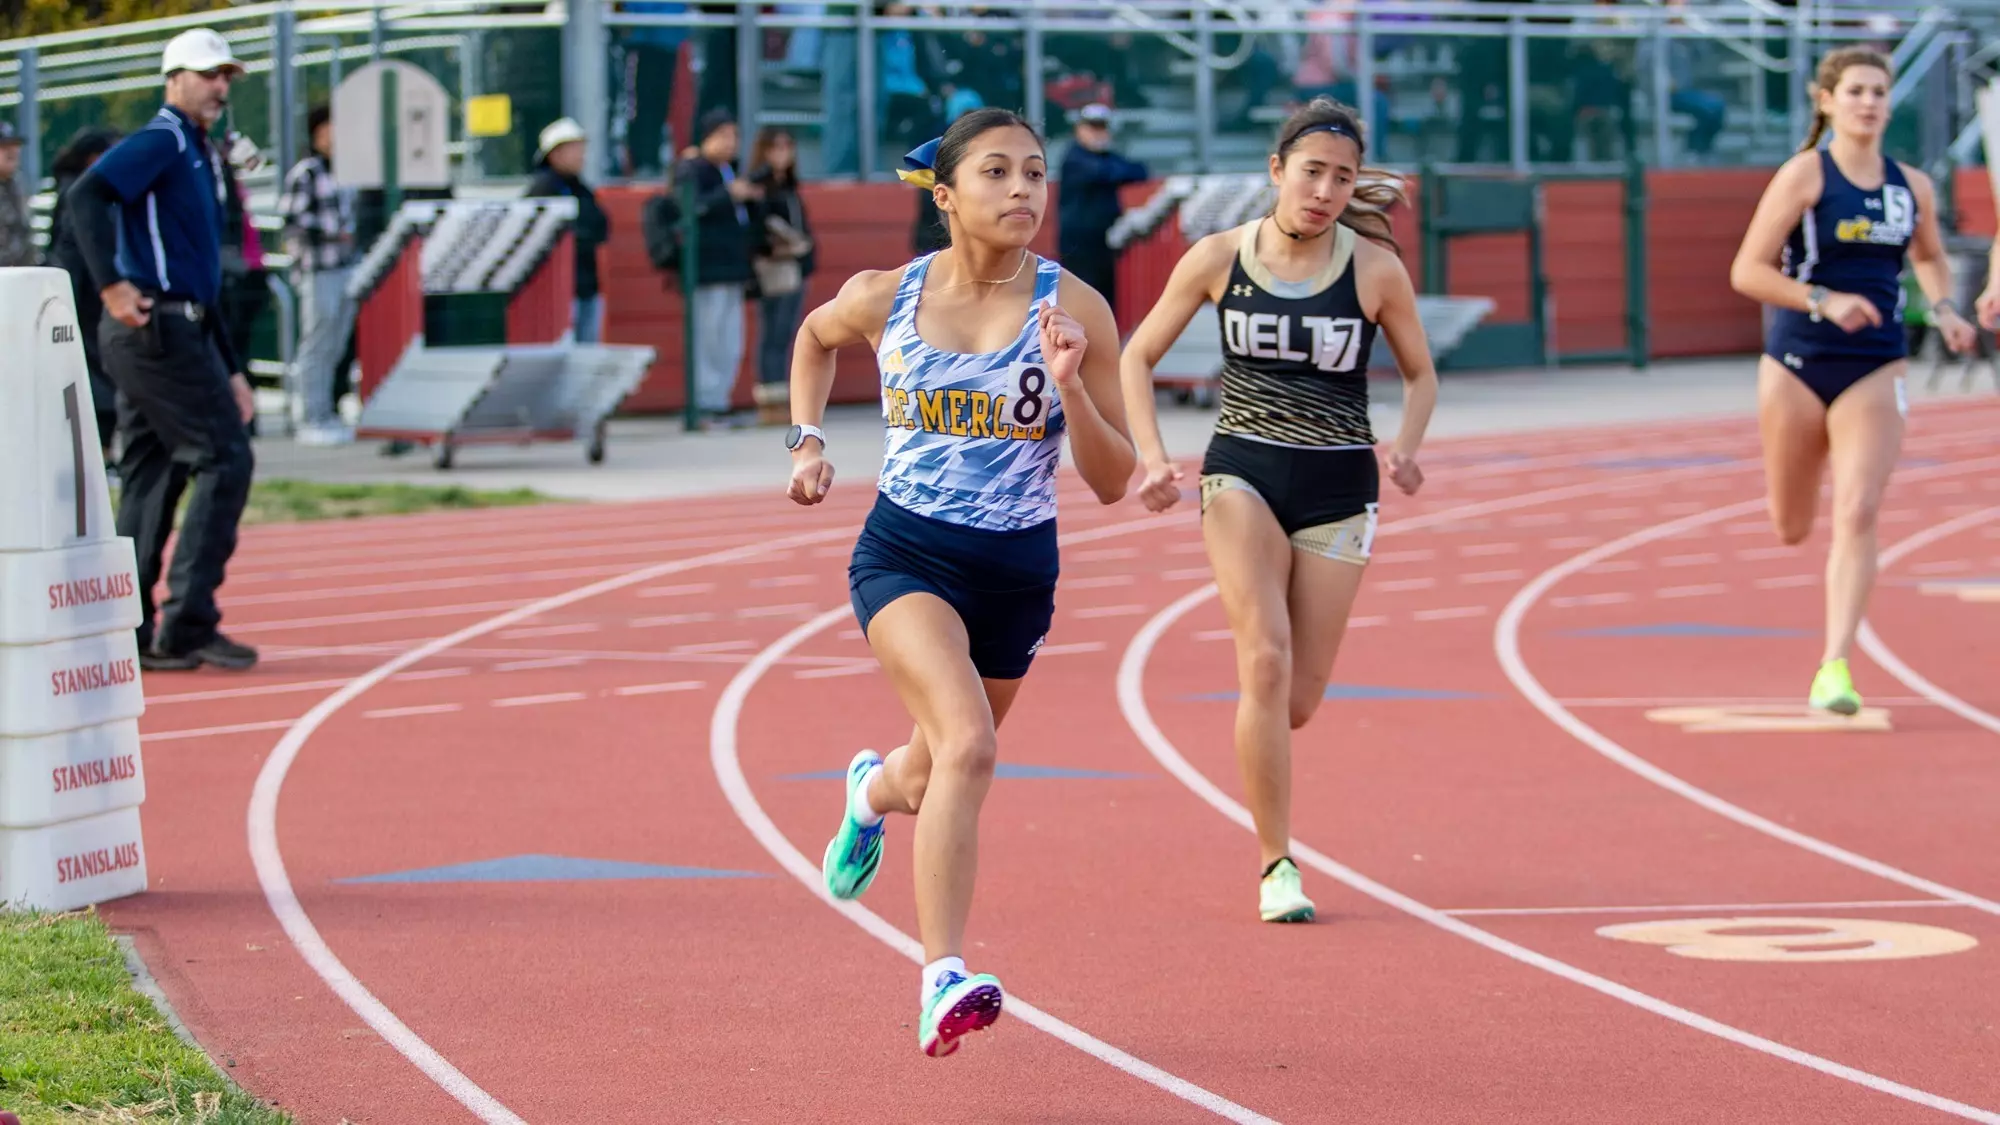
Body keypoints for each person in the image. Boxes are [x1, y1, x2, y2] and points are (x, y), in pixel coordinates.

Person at [783, 107, 1135, 1056]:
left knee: (931, 767)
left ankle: (868, 793)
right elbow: (813, 339)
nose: (1022, 189)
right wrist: (808, 439)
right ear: (945, 195)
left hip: (1017, 576)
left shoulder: (1077, 308)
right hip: (907, 555)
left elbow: (1111, 482)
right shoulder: (886, 294)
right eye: (996, 173)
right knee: (970, 746)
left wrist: (1068, 384)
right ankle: (942, 975)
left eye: (1034, 172)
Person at [1117, 97, 1438, 924]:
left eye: (1342, 177)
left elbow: (1421, 373)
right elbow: (1138, 355)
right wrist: (1152, 459)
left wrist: (1405, 444)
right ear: (1276, 172)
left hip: (1339, 485)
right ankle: (1276, 863)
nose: (1326, 189)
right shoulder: (1220, 256)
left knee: (1296, 699)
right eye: (1312, 172)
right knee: (1262, 660)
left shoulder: (1372, 269)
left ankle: (1274, 817)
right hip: (1243, 471)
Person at [1728, 47, 1974, 716]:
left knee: (1859, 509)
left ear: (1891, 103)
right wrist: (1820, 299)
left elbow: (1927, 255)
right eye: (1856, 90)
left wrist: (1946, 308)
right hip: (1797, 362)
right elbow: (1746, 271)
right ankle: (1799, 531)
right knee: (1791, 524)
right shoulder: (1805, 175)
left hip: (1876, 361)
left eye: (1878, 91)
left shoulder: (1911, 186)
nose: (1868, 102)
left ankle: (1834, 663)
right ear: (1827, 101)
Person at [68, 27, 260, 672]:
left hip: (176, 325)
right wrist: (112, 287)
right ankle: (186, 624)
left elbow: (201, 273)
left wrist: (230, 368)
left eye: (228, 75)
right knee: (223, 458)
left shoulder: (200, 151)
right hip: (154, 326)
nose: (220, 86)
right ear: (173, 77)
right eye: (209, 74)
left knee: (154, 472)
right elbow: (86, 194)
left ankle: (129, 627)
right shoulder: (164, 137)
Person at [280, 103, 360, 443]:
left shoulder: (345, 171)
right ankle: (310, 415)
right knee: (316, 343)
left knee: (336, 342)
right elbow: (293, 220)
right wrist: (332, 233)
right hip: (318, 269)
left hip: (345, 266)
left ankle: (326, 411)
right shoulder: (306, 173)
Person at [43, 126, 125, 458]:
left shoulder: (86, 189)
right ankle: (97, 454)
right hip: (84, 298)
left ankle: (100, 453)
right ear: (93, 157)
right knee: (93, 377)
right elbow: (71, 251)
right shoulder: (80, 192)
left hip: (90, 294)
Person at [746, 126, 816, 426]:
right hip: (774, 268)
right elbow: (757, 230)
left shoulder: (789, 187)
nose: (783, 153)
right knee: (773, 334)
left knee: (785, 333)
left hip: (795, 269)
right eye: (776, 147)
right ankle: (770, 400)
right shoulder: (760, 188)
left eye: (788, 146)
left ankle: (779, 398)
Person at [526, 117, 612, 344]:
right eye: (574, 149)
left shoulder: (580, 188)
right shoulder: (543, 189)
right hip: (557, 289)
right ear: (554, 153)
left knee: (586, 353)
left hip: (585, 284)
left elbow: (601, 226)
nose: (581, 155)